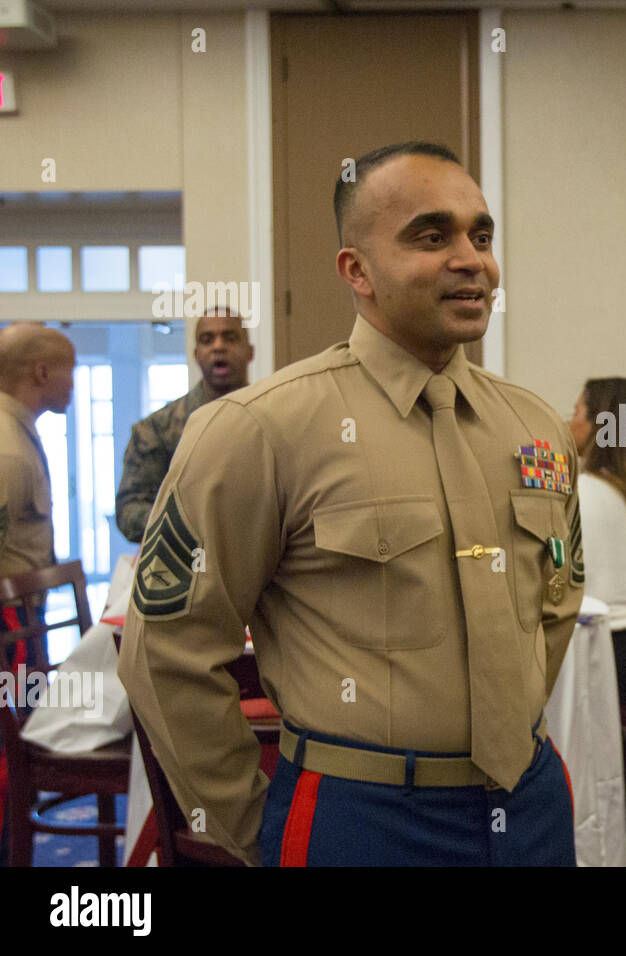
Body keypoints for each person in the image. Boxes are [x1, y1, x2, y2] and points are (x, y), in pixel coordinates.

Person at [117, 141, 584, 866]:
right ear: (356, 270)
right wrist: (249, 827)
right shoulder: (259, 429)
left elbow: (557, 602)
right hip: (361, 819)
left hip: (528, 806)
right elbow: (166, 649)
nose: (472, 259)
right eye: (432, 236)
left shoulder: (534, 425)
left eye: (480, 235)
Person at [115, 308, 255, 543]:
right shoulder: (157, 429)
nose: (218, 347)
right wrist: (188, 526)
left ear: (249, 352)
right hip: (187, 566)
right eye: (207, 340)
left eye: (229, 338)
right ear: (196, 354)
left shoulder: (275, 419)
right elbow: (129, 512)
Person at [568, 378, 626, 709]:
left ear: (598, 423)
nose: (571, 422)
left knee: (598, 757)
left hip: (603, 642)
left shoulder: (578, 490)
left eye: (576, 411)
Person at [0, 323, 76, 672]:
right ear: (42, 372)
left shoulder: (17, 430)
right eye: (69, 370)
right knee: (24, 722)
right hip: (10, 622)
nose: (72, 383)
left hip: (22, 615)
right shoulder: (8, 450)